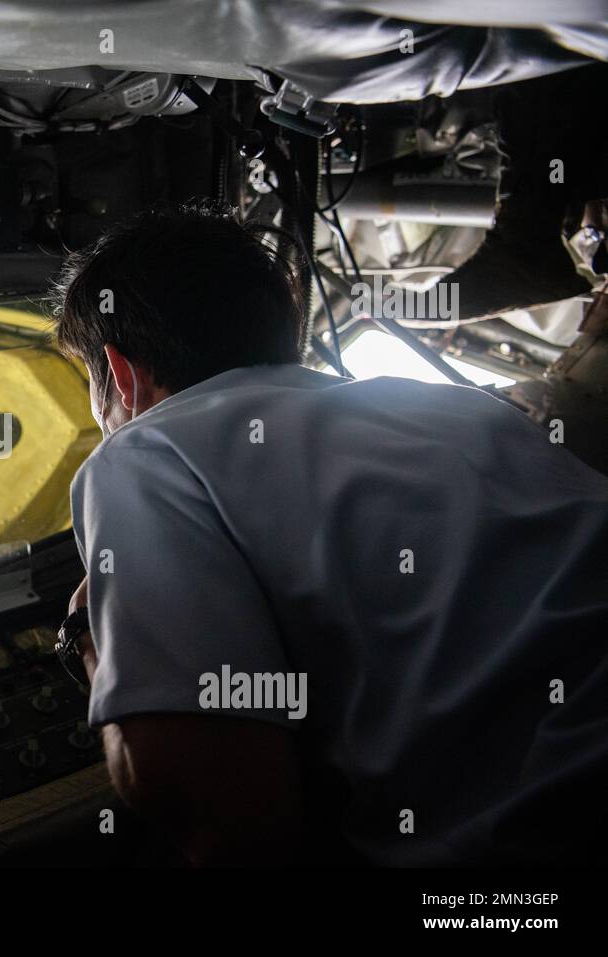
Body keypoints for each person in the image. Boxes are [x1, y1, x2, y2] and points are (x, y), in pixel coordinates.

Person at [50, 204, 608, 866]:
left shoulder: (144, 448)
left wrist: (90, 643)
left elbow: (225, 815)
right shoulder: (459, 405)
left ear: (120, 374)